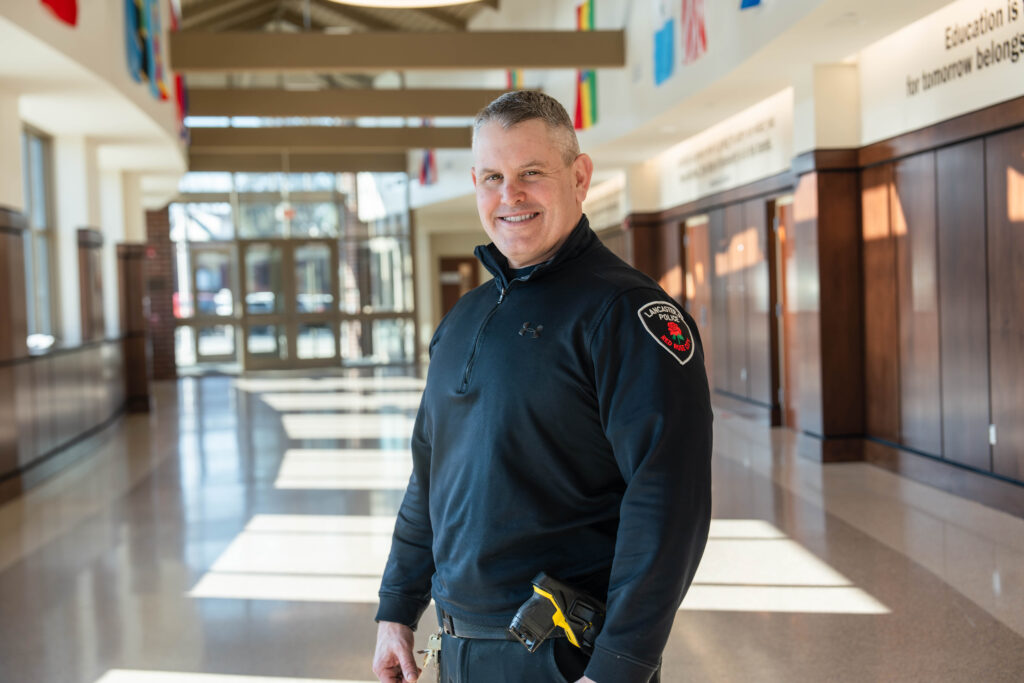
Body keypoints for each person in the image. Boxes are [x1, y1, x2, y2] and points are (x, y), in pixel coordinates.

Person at [372, 90, 713, 683]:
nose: (511, 195)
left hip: (565, 657)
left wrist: (617, 668)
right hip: (458, 647)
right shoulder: (463, 319)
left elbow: (668, 502)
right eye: (493, 177)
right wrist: (397, 609)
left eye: (532, 173)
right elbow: (429, 477)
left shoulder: (627, 314)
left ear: (579, 176)